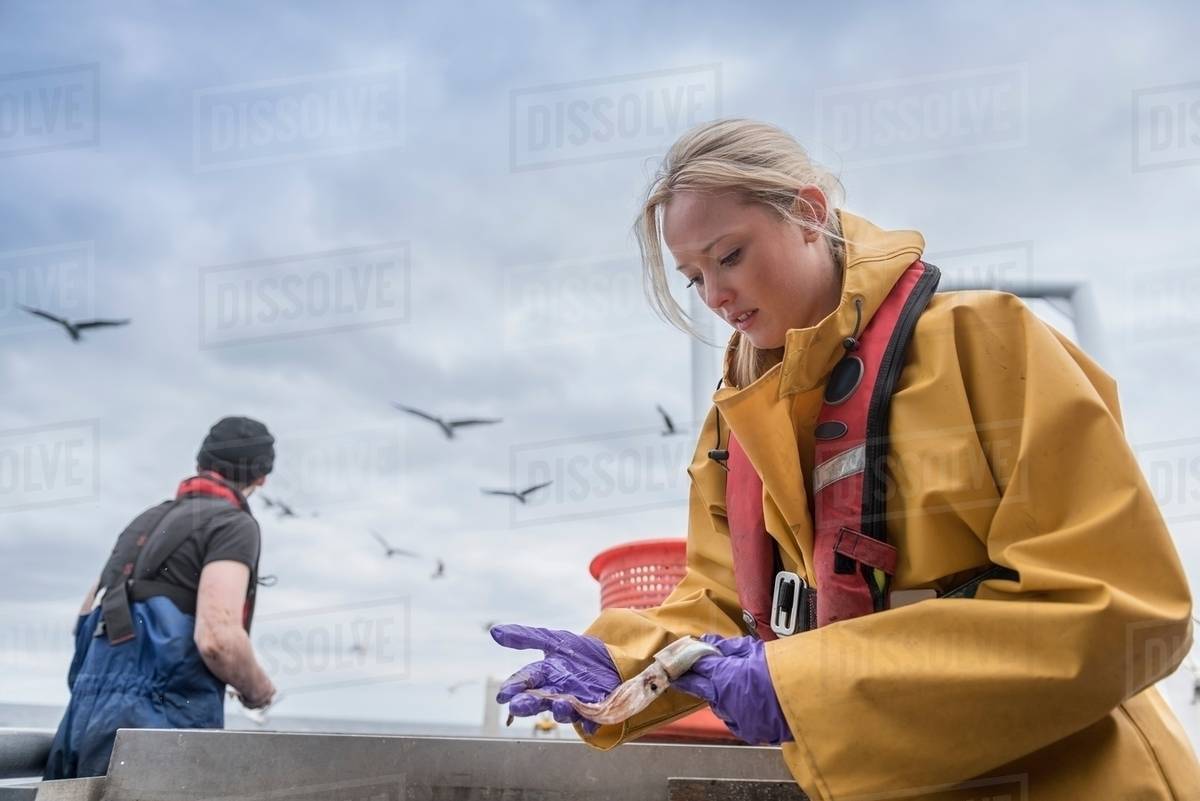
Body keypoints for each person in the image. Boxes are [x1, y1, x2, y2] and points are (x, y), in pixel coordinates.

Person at [493, 119, 1200, 800]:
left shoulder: (990, 346)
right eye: (693, 276)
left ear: (807, 213)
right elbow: (721, 613)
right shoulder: (728, 429)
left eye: (730, 255)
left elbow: (1120, 608)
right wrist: (619, 664)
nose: (715, 296)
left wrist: (801, 683)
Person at [43, 416, 278, 780]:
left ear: (201, 464)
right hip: (159, 735)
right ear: (261, 478)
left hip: (80, 725)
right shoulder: (233, 526)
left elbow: (86, 618)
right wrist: (258, 690)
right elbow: (217, 638)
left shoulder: (143, 523)